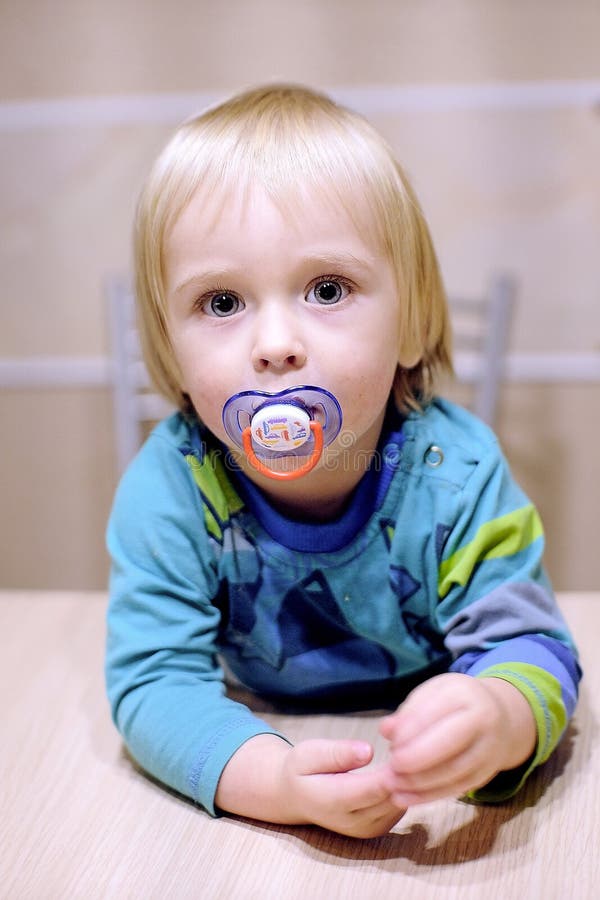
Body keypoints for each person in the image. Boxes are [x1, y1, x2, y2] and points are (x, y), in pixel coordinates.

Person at [105, 84, 581, 839]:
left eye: (328, 288)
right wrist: (273, 782)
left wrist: (499, 717)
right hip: (262, 737)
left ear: (411, 325)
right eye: (222, 303)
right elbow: (153, 683)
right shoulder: (171, 488)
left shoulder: (453, 474)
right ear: (170, 347)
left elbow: (533, 648)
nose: (273, 344)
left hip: (418, 750)